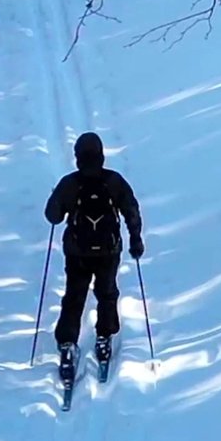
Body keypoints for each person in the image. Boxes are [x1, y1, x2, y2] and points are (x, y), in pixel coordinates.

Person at [43, 131, 143, 383]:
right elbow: (131, 209)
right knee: (107, 292)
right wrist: (135, 239)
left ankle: (67, 344)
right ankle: (103, 338)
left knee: (74, 296)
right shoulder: (113, 181)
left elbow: (53, 217)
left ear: (77, 157)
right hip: (109, 250)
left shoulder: (70, 183)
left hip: (77, 251)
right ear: (101, 155)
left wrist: (58, 202)